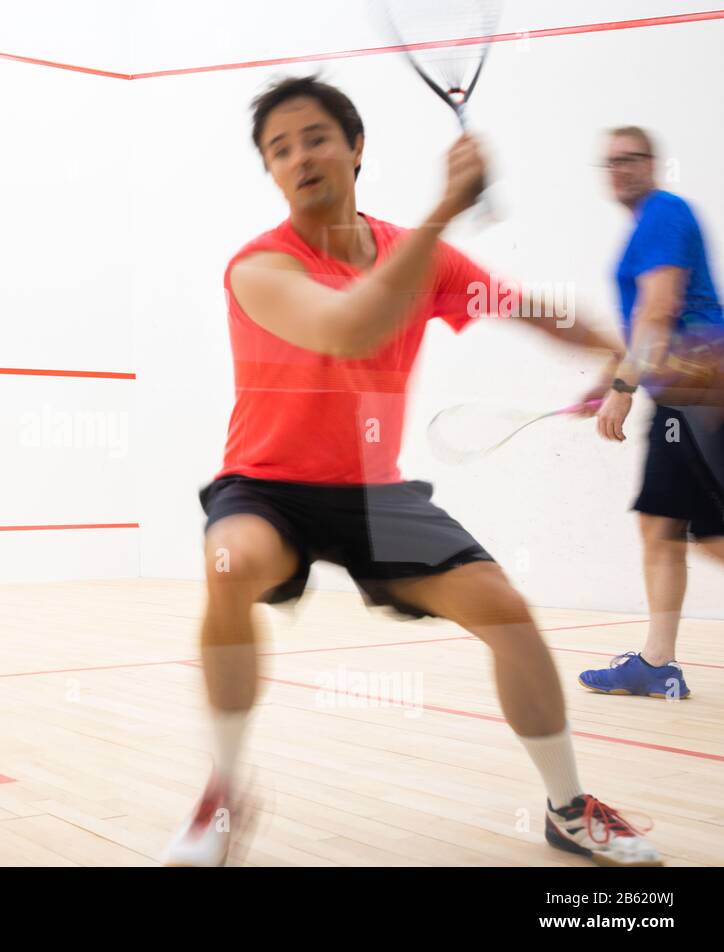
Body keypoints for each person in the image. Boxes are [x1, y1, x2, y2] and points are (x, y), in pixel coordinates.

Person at [162, 76, 661, 867]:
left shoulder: (417, 253)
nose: (299, 158)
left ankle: (569, 809)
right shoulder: (257, 268)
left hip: (371, 492)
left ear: (356, 147)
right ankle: (222, 794)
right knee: (230, 566)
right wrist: (443, 211)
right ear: (270, 171)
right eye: (279, 149)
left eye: (315, 137)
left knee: (507, 613)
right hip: (265, 487)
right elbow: (349, 328)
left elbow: (530, 309)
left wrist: (615, 349)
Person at [576, 126, 724, 700]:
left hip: (700, 393)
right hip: (684, 396)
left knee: (705, 536)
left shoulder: (664, 212)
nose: (620, 169)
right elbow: (643, 328)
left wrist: (621, 388)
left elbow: (659, 312)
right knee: (662, 527)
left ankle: (657, 662)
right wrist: (606, 382)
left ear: (652, 163)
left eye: (631, 159)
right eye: (610, 162)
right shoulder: (645, 227)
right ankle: (657, 662)